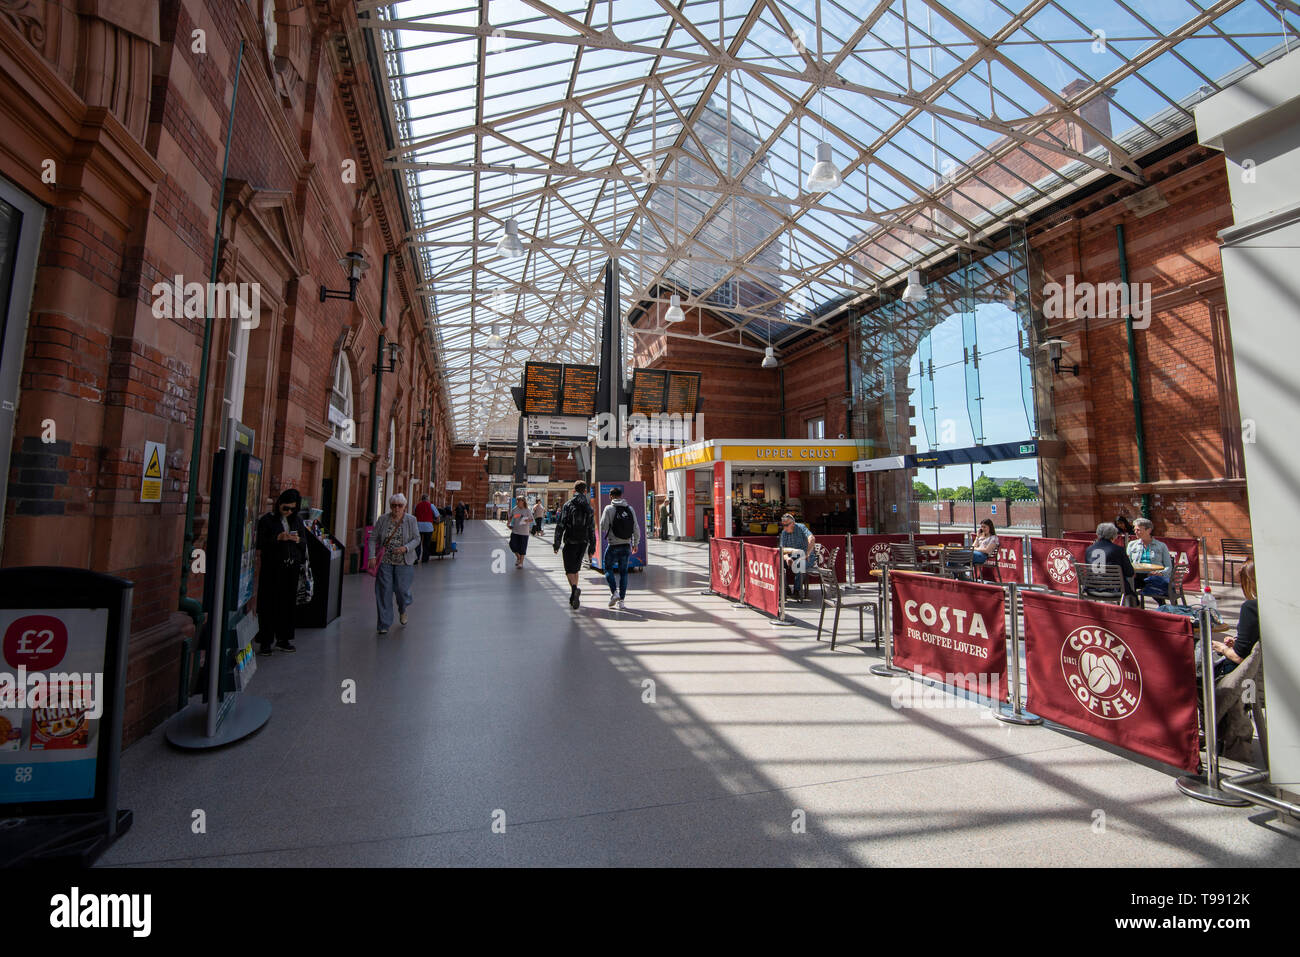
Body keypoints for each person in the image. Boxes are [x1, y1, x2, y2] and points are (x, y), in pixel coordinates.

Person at [255, 488, 308, 655]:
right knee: (268, 605)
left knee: (287, 605)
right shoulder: (267, 521)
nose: (289, 511)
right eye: (286, 508)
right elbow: (260, 543)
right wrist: (277, 538)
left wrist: (298, 539)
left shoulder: (297, 521)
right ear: (279, 504)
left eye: (292, 509)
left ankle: (283, 639)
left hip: (290, 569)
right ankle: (265, 641)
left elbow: (304, 542)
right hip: (272, 569)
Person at [371, 493, 420, 634]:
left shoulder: (411, 520)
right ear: (390, 506)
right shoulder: (383, 520)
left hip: (404, 562)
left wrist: (405, 548)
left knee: (402, 590)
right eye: (394, 505)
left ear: (404, 506)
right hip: (385, 561)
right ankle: (384, 624)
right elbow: (373, 538)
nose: (396, 508)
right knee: (383, 592)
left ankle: (403, 608)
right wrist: (372, 556)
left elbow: (417, 539)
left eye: (400, 505)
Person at [1212, 560, 1259, 680]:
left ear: (1250, 582)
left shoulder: (1251, 608)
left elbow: (1239, 657)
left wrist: (1222, 648)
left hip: (1236, 674)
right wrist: (1237, 643)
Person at [553, 481, 596, 608]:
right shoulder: (589, 508)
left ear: (574, 491)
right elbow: (591, 529)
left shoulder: (568, 505)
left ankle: (574, 589)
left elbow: (560, 525)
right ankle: (573, 596)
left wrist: (556, 543)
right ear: (585, 491)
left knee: (568, 570)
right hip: (583, 542)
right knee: (576, 569)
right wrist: (592, 547)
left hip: (570, 541)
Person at [600, 486, 640, 609]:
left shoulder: (609, 508)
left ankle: (614, 593)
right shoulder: (629, 508)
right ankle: (621, 601)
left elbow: (603, 527)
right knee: (624, 573)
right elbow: (636, 528)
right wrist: (635, 543)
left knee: (608, 569)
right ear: (621, 495)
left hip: (613, 545)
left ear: (611, 496)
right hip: (626, 546)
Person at [1125, 517, 1174, 605]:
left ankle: (1162, 606)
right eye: (1135, 529)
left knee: (1153, 582)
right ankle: (1136, 606)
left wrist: (1161, 573)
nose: (1135, 532)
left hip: (1154, 575)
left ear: (1149, 530)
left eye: (1138, 530)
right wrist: (1130, 572)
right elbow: (1127, 563)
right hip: (1137, 575)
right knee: (1127, 584)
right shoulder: (1131, 545)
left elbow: (1168, 566)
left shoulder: (1161, 546)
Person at [1085, 522, 1136, 603]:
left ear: (1098, 534)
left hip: (1092, 589)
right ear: (1114, 535)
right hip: (1115, 590)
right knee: (1133, 597)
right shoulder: (1118, 550)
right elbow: (1129, 573)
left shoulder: (1089, 549)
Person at [778, 512, 817, 600]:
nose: (784, 527)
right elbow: (782, 549)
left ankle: (797, 590)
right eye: (783, 525)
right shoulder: (784, 533)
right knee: (778, 563)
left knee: (800, 564)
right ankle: (785, 588)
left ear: (793, 523)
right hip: (792, 556)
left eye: (786, 525)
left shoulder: (801, 527)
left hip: (805, 556)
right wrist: (787, 558)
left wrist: (807, 553)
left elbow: (812, 538)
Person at [507, 495, 533, 567]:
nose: (518, 502)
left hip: (524, 532)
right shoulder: (515, 509)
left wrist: (527, 520)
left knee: (522, 548)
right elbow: (511, 516)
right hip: (515, 530)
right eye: (517, 501)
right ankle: (518, 558)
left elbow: (532, 519)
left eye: (519, 501)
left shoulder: (527, 510)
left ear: (523, 502)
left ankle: (521, 562)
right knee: (512, 545)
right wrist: (508, 523)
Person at [414, 494, 437, 563]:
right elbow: (437, 515)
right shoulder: (431, 505)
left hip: (418, 526)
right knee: (426, 544)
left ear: (422, 499)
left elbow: (415, 514)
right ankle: (425, 559)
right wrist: (435, 521)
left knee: (417, 543)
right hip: (428, 527)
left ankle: (416, 558)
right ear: (427, 499)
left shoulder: (417, 505)